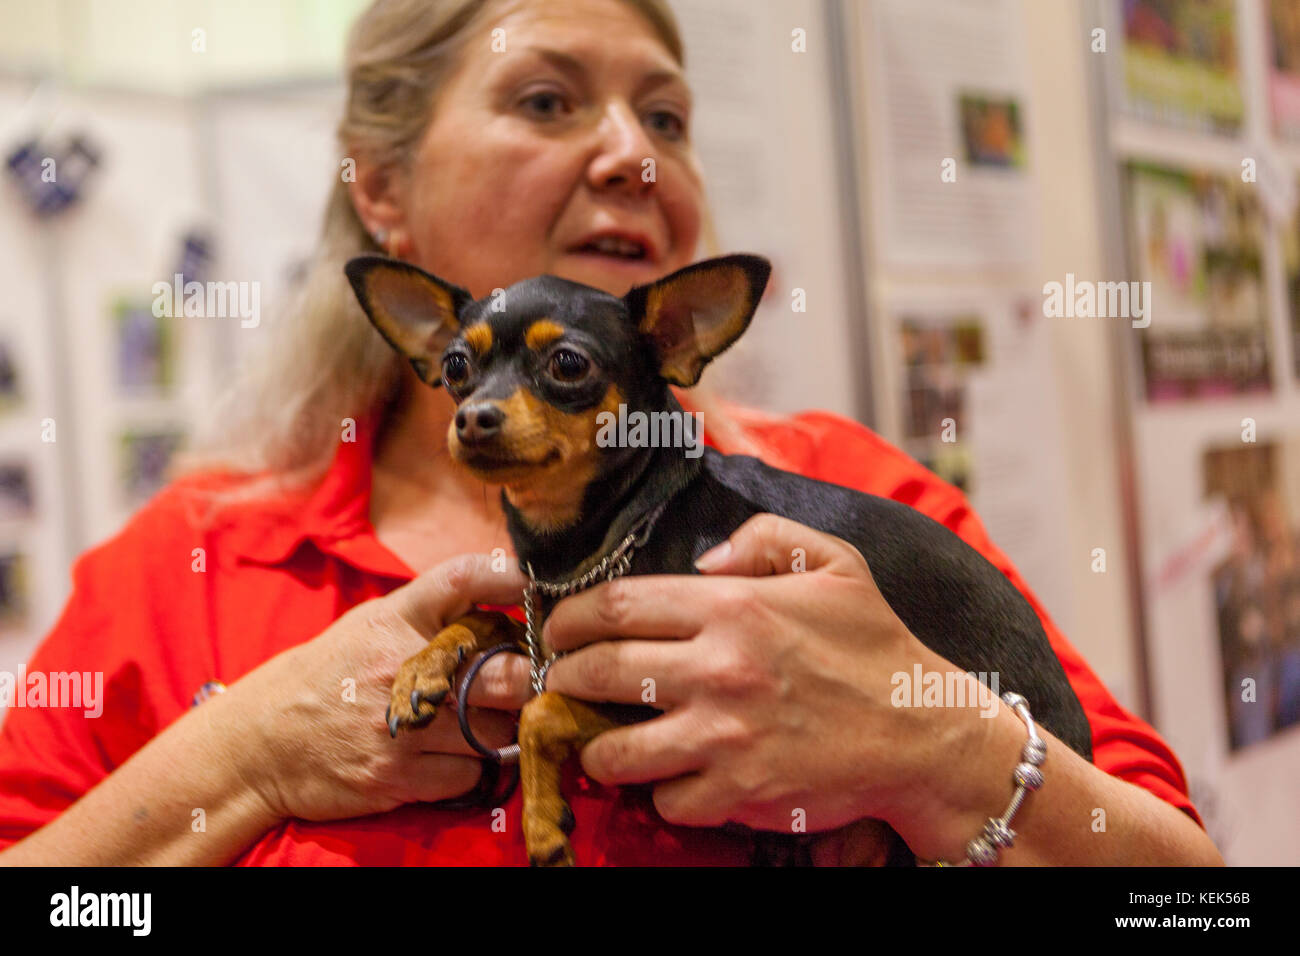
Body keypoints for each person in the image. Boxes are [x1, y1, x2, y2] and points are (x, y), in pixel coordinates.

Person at [0, 0, 1222, 866]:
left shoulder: (840, 505)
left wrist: (931, 747)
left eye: (669, 120)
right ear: (380, 189)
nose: (634, 156)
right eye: (547, 100)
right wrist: (245, 758)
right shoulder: (188, 570)